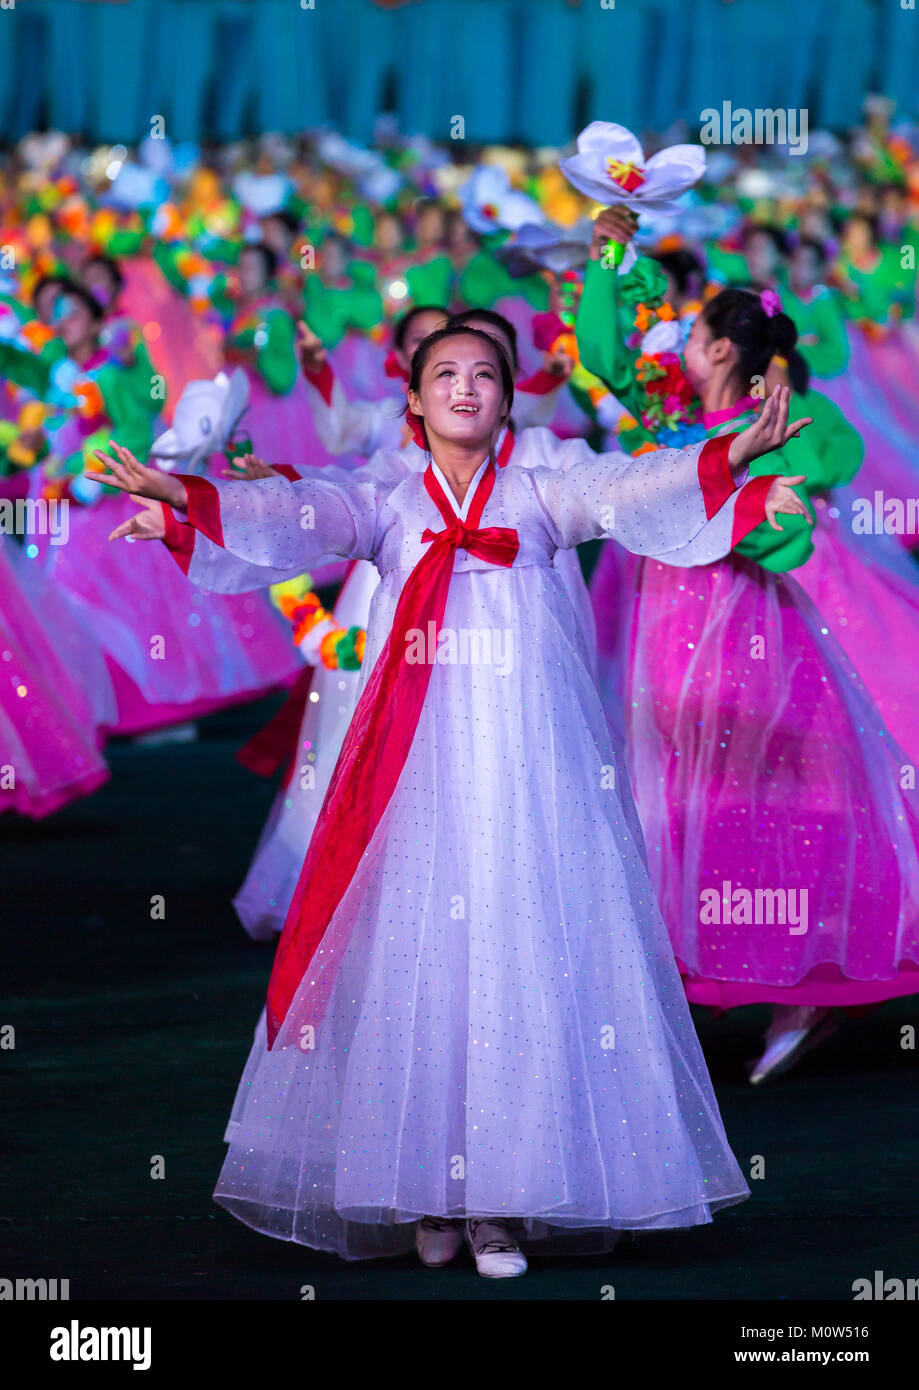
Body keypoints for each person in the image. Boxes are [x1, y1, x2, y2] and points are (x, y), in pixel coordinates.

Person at [86, 326, 806, 1276]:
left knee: (517, 954)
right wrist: (182, 501)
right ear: (415, 402)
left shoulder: (544, 489)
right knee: (415, 961)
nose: (465, 389)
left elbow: (630, 489)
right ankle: (425, 1187)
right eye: (444, 377)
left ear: (507, 399)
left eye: (482, 376)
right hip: (418, 772)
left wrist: (737, 460)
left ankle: (500, 1204)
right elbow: (299, 515)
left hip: (526, 769)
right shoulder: (386, 499)